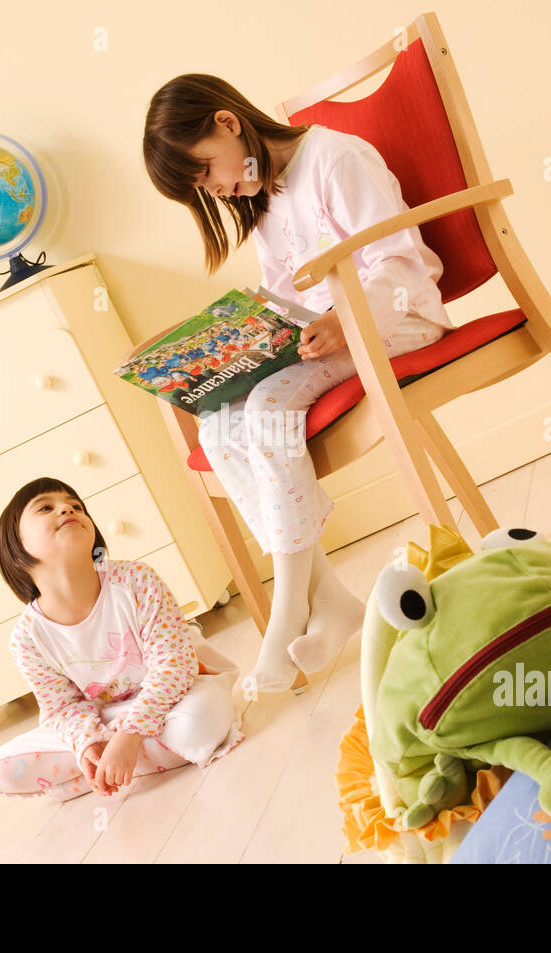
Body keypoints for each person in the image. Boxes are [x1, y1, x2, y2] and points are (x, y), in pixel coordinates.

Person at [142, 74, 456, 693]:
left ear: (229, 123)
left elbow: (399, 259)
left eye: (207, 171)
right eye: (202, 186)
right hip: (329, 339)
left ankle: (286, 612)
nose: (216, 189)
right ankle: (330, 595)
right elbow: (285, 296)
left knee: (270, 403)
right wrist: (245, 346)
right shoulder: (267, 197)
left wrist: (347, 318)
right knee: (219, 419)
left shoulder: (336, 160)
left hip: (400, 321)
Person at [0, 477, 243, 801]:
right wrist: (89, 745)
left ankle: (113, 765)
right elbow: (63, 708)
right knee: (0, 770)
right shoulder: (27, 639)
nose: (67, 508)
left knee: (198, 724)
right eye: (46, 508)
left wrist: (129, 737)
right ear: (16, 549)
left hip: (177, 696)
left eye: (76, 506)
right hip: (106, 718)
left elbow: (174, 668)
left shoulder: (136, 580)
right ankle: (112, 763)